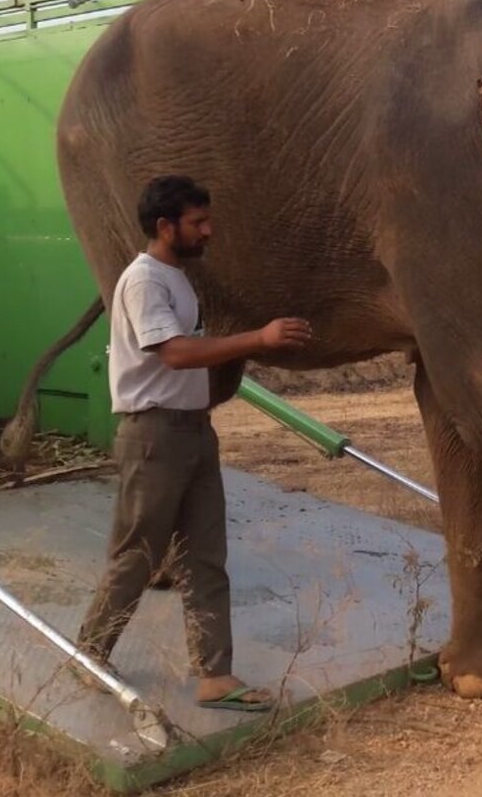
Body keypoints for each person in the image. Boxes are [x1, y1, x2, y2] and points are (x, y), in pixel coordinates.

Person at [75, 175, 313, 710]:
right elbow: (176, 353)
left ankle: (215, 675)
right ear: (165, 227)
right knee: (138, 553)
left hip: (192, 431)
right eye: (197, 223)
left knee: (206, 556)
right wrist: (260, 339)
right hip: (154, 435)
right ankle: (91, 652)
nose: (208, 232)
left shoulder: (178, 277)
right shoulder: (144, 281)